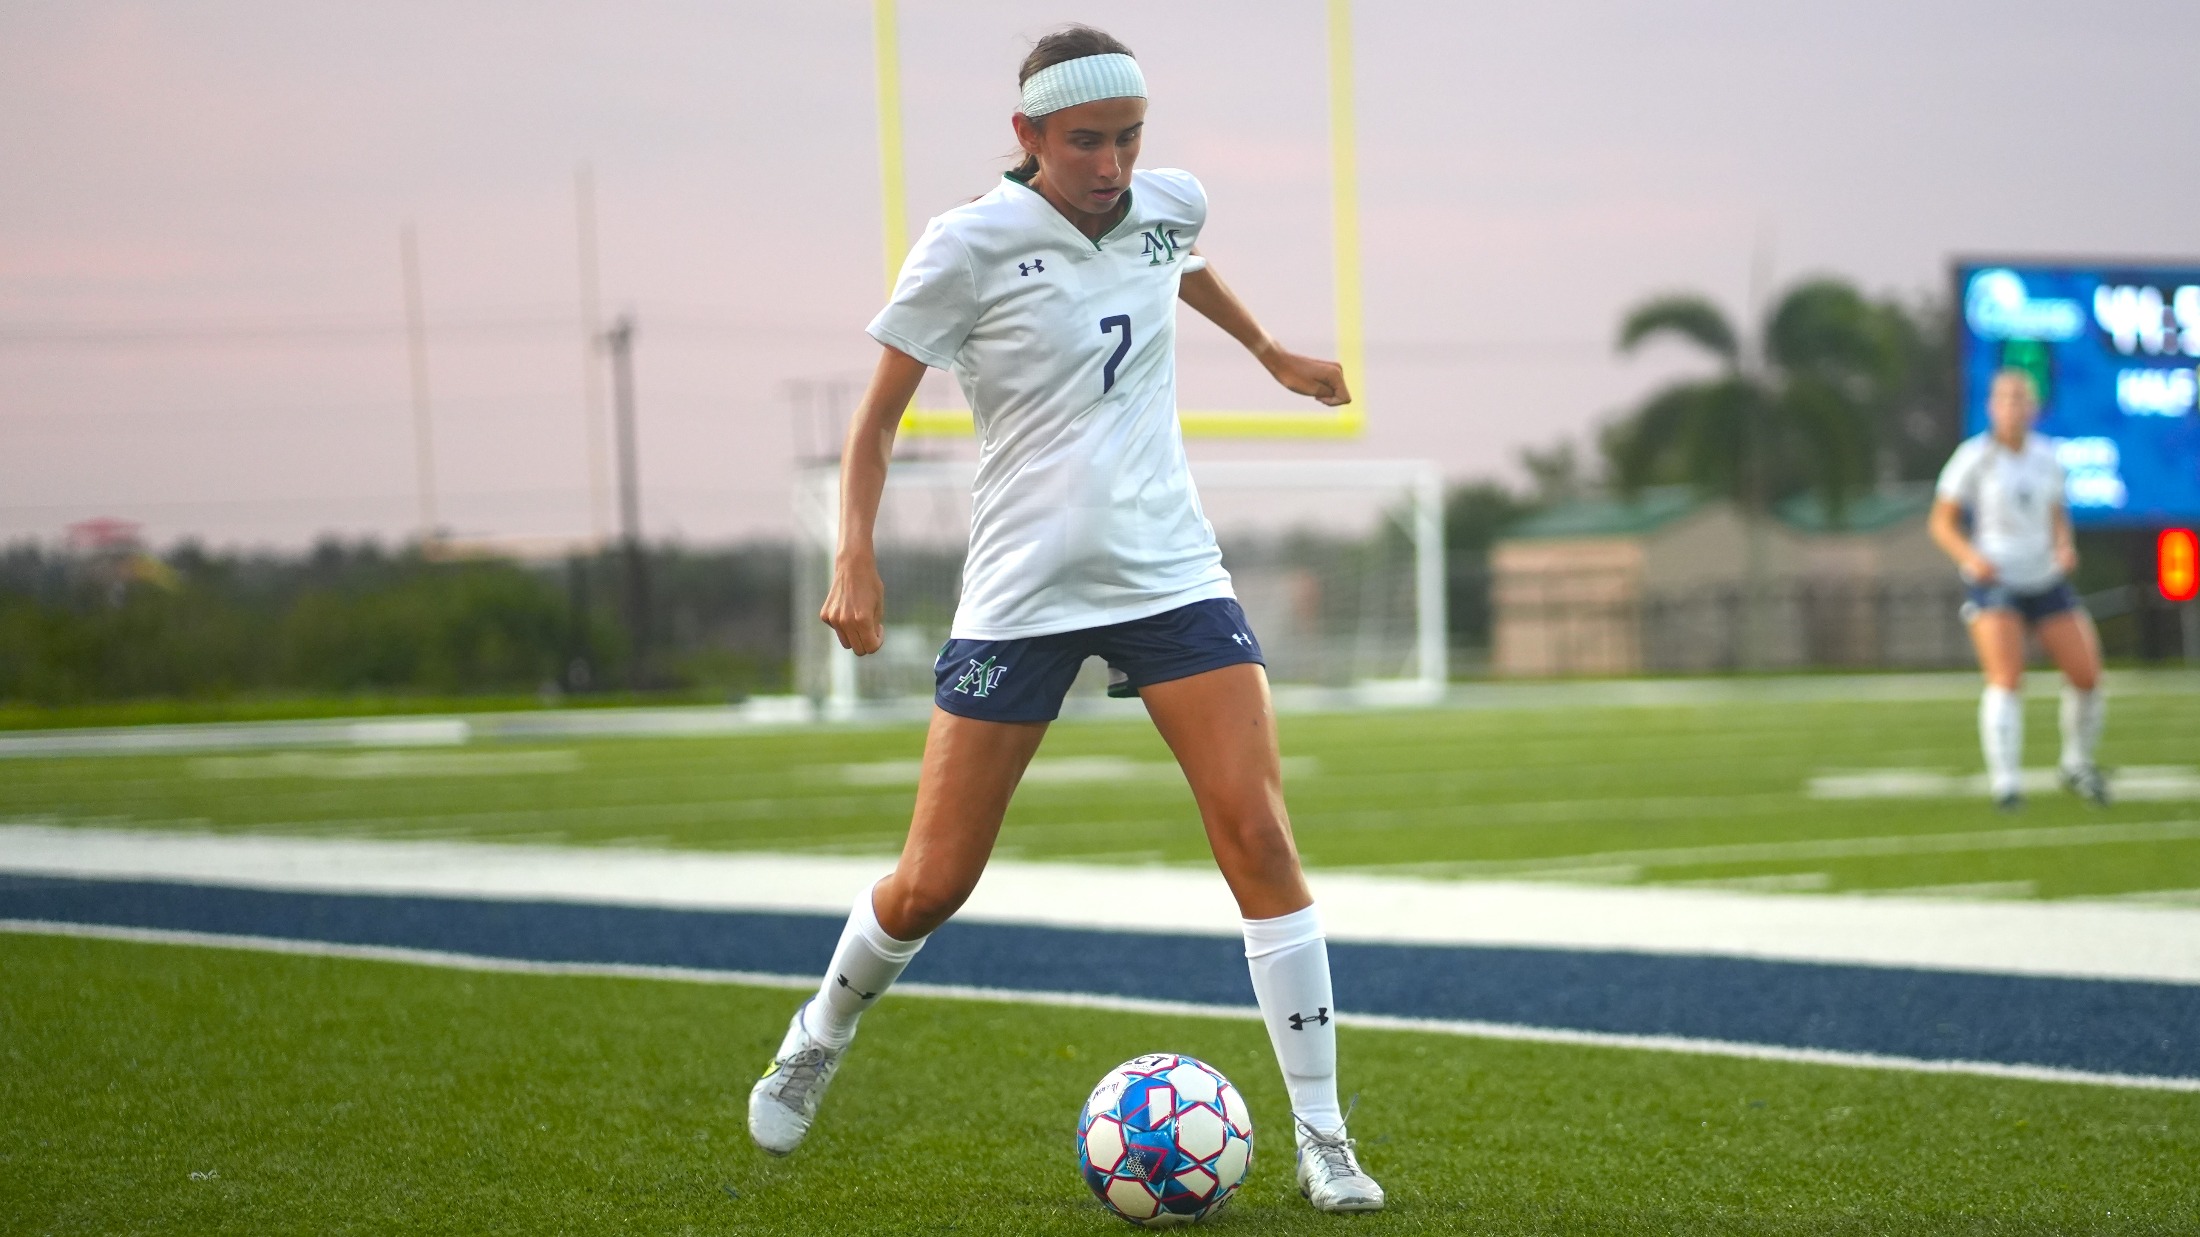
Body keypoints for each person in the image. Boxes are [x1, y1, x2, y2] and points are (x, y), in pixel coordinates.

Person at [746, 25, 1384, 1214]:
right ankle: (819, 1028)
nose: (1111, 162)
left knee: (1259, 837)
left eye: (1129, 137)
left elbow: (1176, 257)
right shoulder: (966, 246)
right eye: (1086, 141)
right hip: (1020, 594)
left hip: (1171, 575)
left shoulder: (1165, 202)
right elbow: (877, 419)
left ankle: (1326, 1137)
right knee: (933, 882)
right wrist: (854, 555)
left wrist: (1270, 353)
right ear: (1027, 137)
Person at [1929, 367, 2108, 811]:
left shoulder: (2047, 456)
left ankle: (2076, 763)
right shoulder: (1975, 457)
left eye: (2020, 398)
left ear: (2032, 407)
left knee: (2086, 674)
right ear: (1992, 407)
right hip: (1997, 582)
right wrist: (1972, 558)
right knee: (2007, 678)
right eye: (2004, 398)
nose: (2012, 407)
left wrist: (2064, 547)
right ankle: (2006, 782)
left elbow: (2057, 517)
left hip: (2044, 577)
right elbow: (1941, 522)